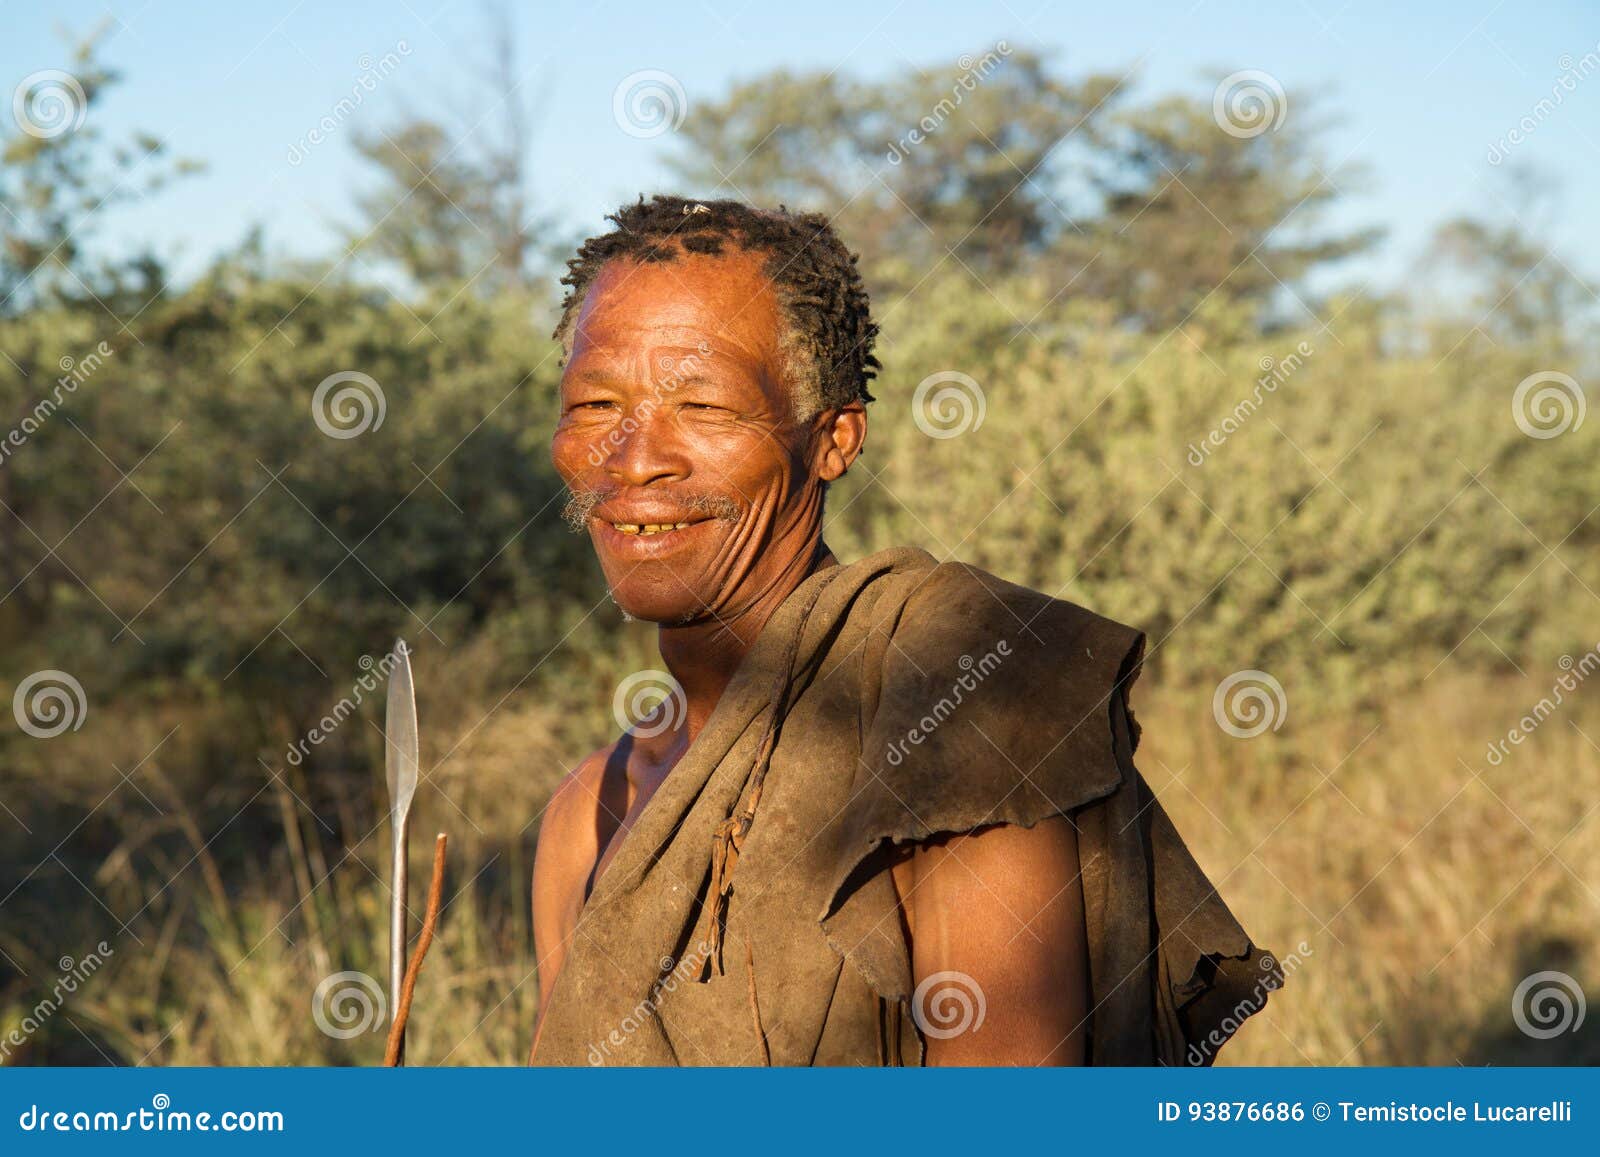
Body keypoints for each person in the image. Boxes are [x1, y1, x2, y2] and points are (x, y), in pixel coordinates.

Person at [528, 195, 1274, 1066]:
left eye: (703, 406)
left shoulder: (948, 712)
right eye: (594, 404)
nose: (636, 456)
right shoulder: (586, 815)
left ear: (834, 439)